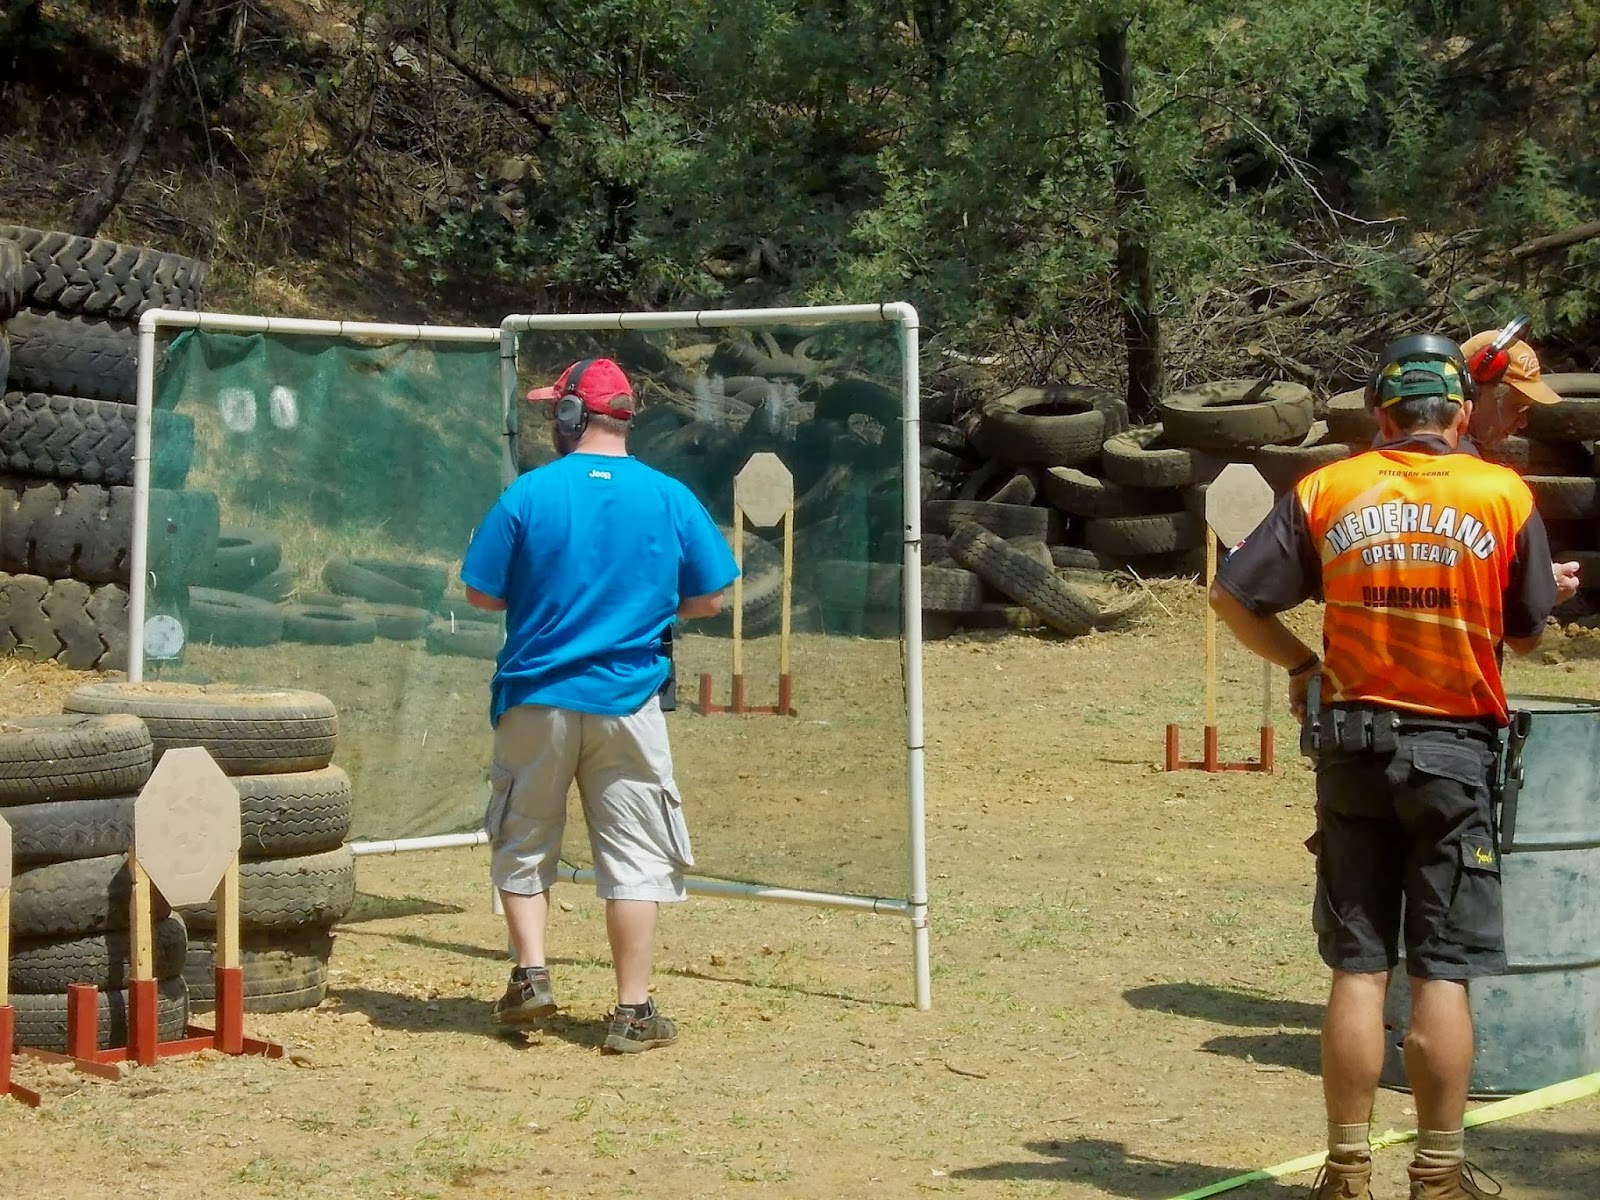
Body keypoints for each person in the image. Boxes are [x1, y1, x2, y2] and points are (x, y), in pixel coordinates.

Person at [1208, 334, 1573, 1200]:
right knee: (1441, 968)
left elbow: (1234, 594)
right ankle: (1438, 1178)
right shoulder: (1502, 494)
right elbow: (1524, 633)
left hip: (1354, 749)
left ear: (1381, 416)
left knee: (1358, 967)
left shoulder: (1330, 487)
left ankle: (1345, 1171)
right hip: (1454, 751)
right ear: (1457, 414)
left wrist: (1303, 667)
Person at [461, 356, 738, 1054]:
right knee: (637, 855)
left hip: (535, 698)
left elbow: (481, 594)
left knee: (524, 839)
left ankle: (530, 975)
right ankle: (632, 1010)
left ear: (569, 417)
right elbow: (711, 598)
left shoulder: (528, 493)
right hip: (628, 702)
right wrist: (642, 607)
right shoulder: (670, 496)